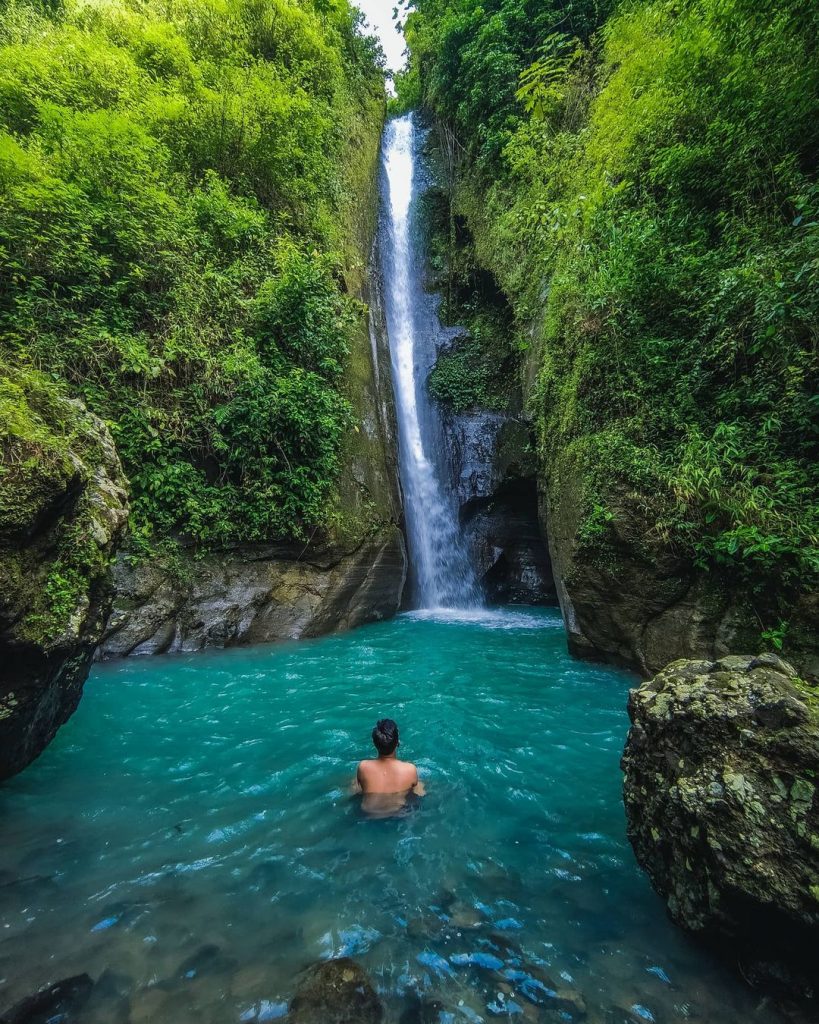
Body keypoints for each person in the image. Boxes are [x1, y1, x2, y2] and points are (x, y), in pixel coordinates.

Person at [353, 718, 426, 817]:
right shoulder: (409, 769)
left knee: (354, 783)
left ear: (374, 744)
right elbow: (420, 794)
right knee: (420, 786)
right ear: (397, 743)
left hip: (368, 814)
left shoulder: (363, 766)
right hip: (398, 814)